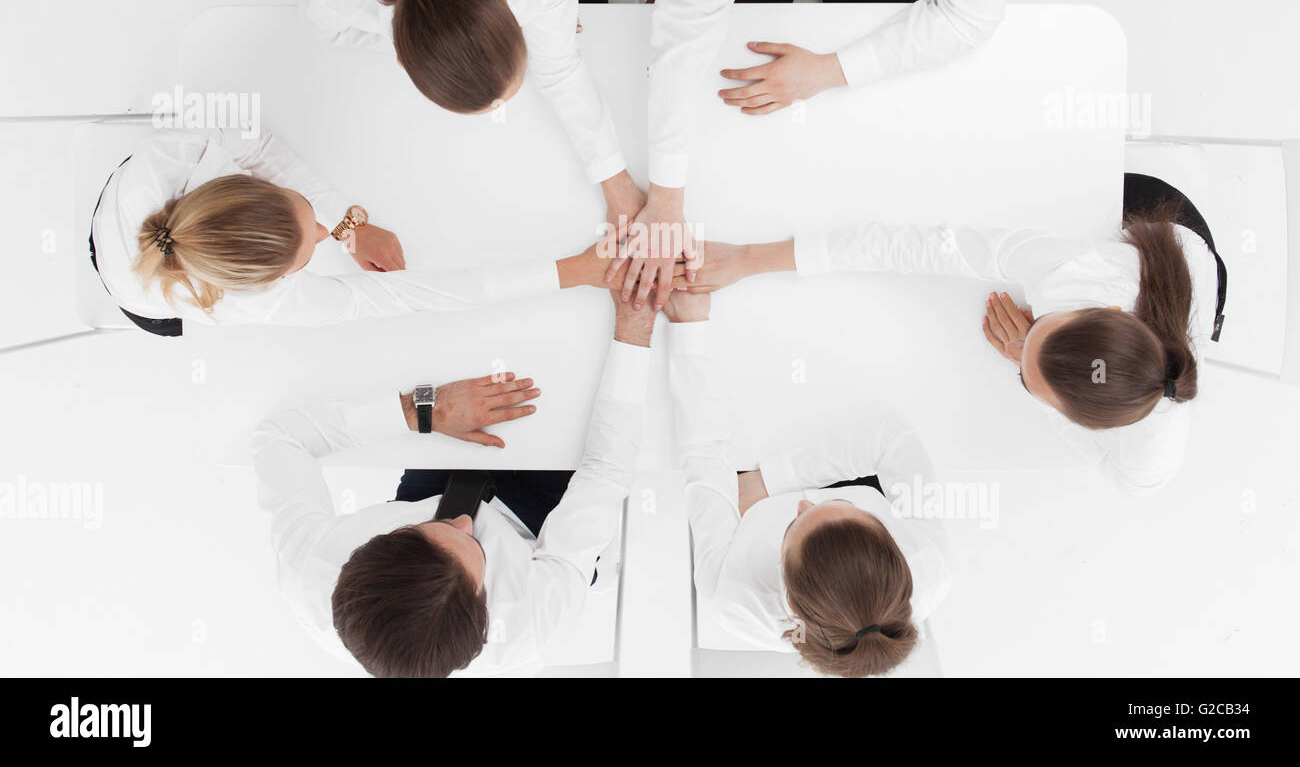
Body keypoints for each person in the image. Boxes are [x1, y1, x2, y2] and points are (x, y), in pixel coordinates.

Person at [619, 0, 1016, 310]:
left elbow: (970, 19)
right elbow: (685, 24)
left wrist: (831, 70)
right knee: (742, 24)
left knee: (872, 17)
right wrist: (666, 197)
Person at [670, 175, 1227, 495]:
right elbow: (923, 245)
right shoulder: (1077, 268)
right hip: (1175, 237)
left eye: (1029, 376)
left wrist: (1025, 372)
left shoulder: (1152, 457)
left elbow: (1114, 472)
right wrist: (749, 258)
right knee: (1078, 179)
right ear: (1099, 309)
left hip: (1173, 309)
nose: (1020, 342)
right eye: (1040, 331)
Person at [252, 289, 655, 677]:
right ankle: (589, 566)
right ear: (485, 601)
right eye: (472, 544)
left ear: (373, 543)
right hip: (532, 537)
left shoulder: (310, 567)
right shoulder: (534, 619)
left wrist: (423, 410)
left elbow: (280, 439)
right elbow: (606, 469)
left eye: (440, 529)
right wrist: (635, 330)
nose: (465, 521)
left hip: (428, 493)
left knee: (455, 348)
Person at [305, 0, 644, 231]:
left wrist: (616, 181)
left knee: (593, 17)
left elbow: (560, 69)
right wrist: (412, 42)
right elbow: (330, 30)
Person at [663, 289, 950, 676]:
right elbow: (890, 438)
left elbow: (702, 455)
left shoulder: (732, 596)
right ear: (890, 535)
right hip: (804, 463)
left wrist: (689, 327)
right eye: (847, 509)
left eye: (792, 527)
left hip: (740, 493)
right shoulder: (927, 562)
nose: (805, 504)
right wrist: (768, 481)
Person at [88, 124, 617, 335]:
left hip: (124, 189)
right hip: (138, 299)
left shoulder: (181, 150)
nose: (321, 235)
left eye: (305, 215)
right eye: (309, 253)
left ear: (242, 182)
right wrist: (575, 271)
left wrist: (348, 226)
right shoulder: (244, 303)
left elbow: (261, 146)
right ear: (268, 281)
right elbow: (410, 297)